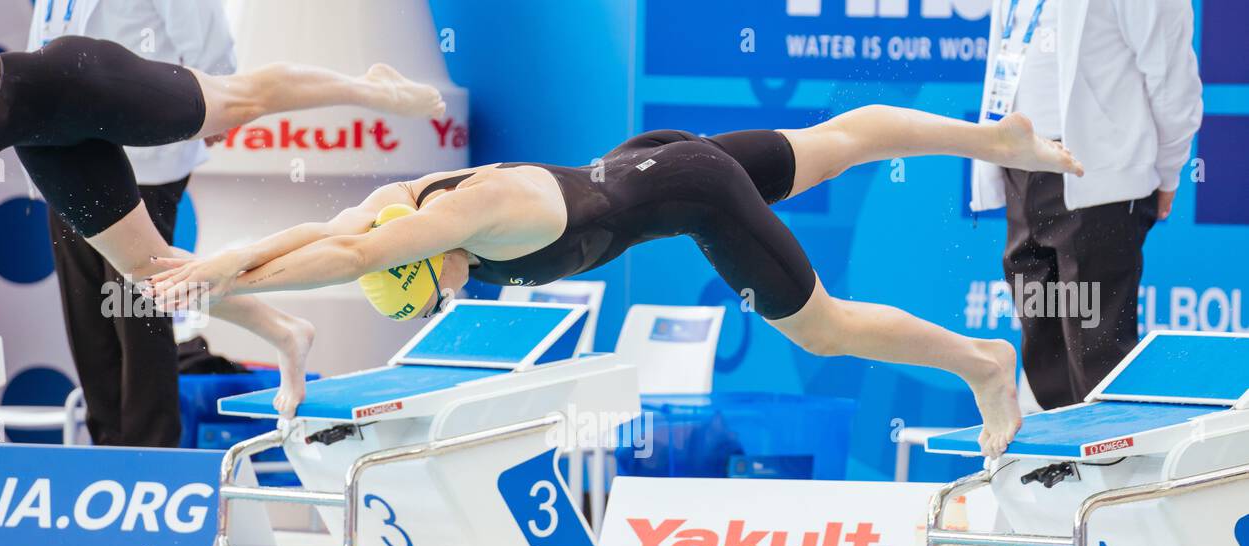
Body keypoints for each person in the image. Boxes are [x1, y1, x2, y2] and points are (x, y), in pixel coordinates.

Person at [148, 108, 1083, 457]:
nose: (450, 295)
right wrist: (219, 267)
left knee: (825, 329)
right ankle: (993, 138)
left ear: (422, 258)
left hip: (691, 191)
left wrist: (212, 266)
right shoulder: (399, 207)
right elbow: (329, 236)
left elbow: (348, 259)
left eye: (435, 290)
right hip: (648, 156)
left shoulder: (457, 218)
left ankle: (984, 364)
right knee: (841, 141)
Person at [0, 34, 445, 416]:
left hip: (74, 80)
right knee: (150, 273)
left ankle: (372, 87)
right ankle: (286, 332)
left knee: (239, 102)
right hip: (42, 137)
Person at [972, 0, 1203, 410]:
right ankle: (1061, 465)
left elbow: (1172, 79)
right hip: (1022, 165)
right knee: (1042, 341)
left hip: (1094, 174)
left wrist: (1168, 169)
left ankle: (1111, 465)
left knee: (1096, 345)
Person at [27, 0, 237, 448]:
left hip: (142, 156)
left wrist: (218, 100)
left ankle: (150, 454)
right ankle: (108, 449)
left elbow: (206, 31)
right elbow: (41, 49)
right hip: (62, 149)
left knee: (137, 309)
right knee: (88, 311)